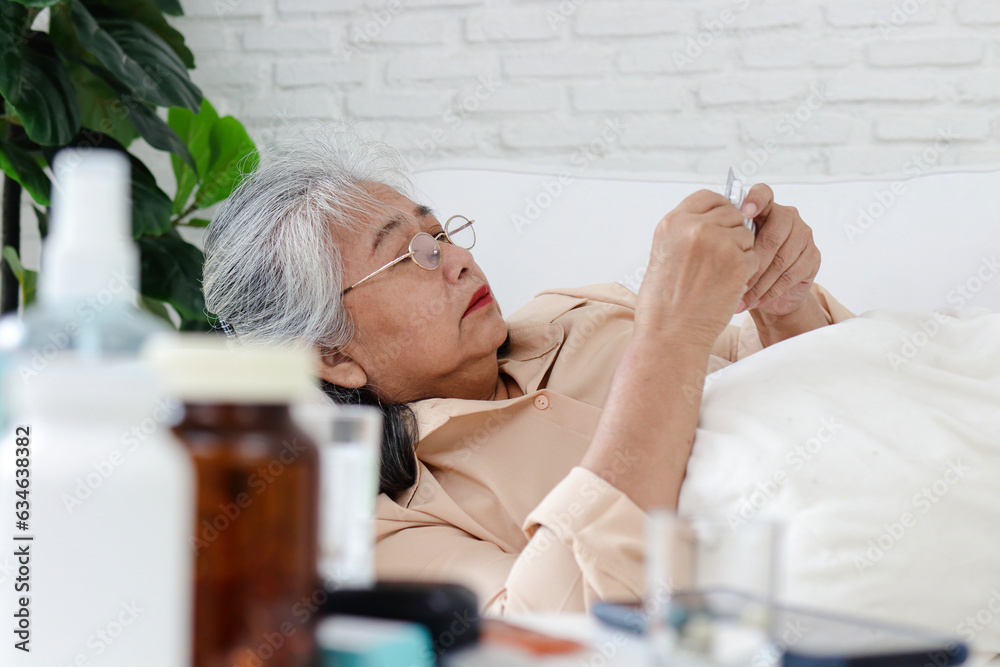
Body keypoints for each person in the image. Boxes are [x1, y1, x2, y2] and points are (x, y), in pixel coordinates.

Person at [202, 132, 855, 614]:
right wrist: (670, 338)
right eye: (410, 257)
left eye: (442, 235)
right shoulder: (390, 523)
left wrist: (783, 299)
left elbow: (836, 386)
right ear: (333, 355)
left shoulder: (581, 313)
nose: (456, 260)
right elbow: (541, 634)